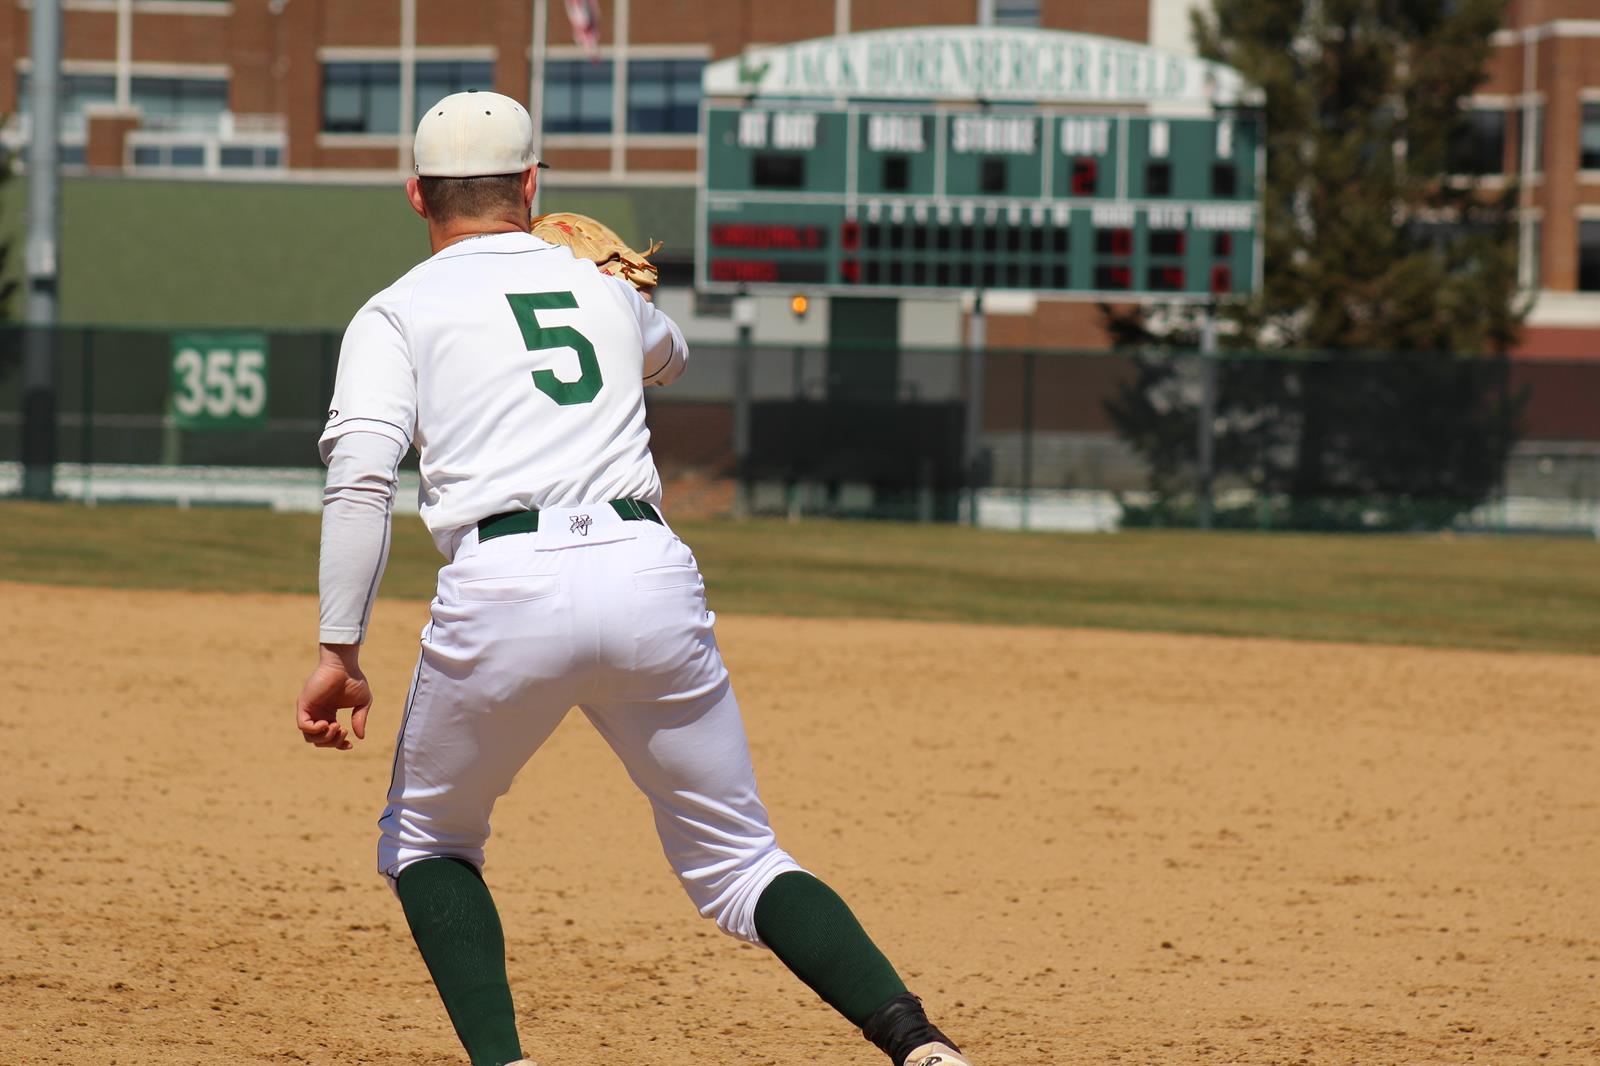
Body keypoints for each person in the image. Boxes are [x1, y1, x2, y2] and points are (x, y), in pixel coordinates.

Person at [294, 90, 973, 1066]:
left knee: (430, 841)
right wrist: (617, 294)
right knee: (739, 859)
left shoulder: (395, 312)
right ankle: (922, 1047)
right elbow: (672, 354)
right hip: (646, 571)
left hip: (505, 583)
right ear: (531, 185)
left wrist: (339, 648)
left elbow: (360, 475)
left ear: (415, 194)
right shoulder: (601, 290)